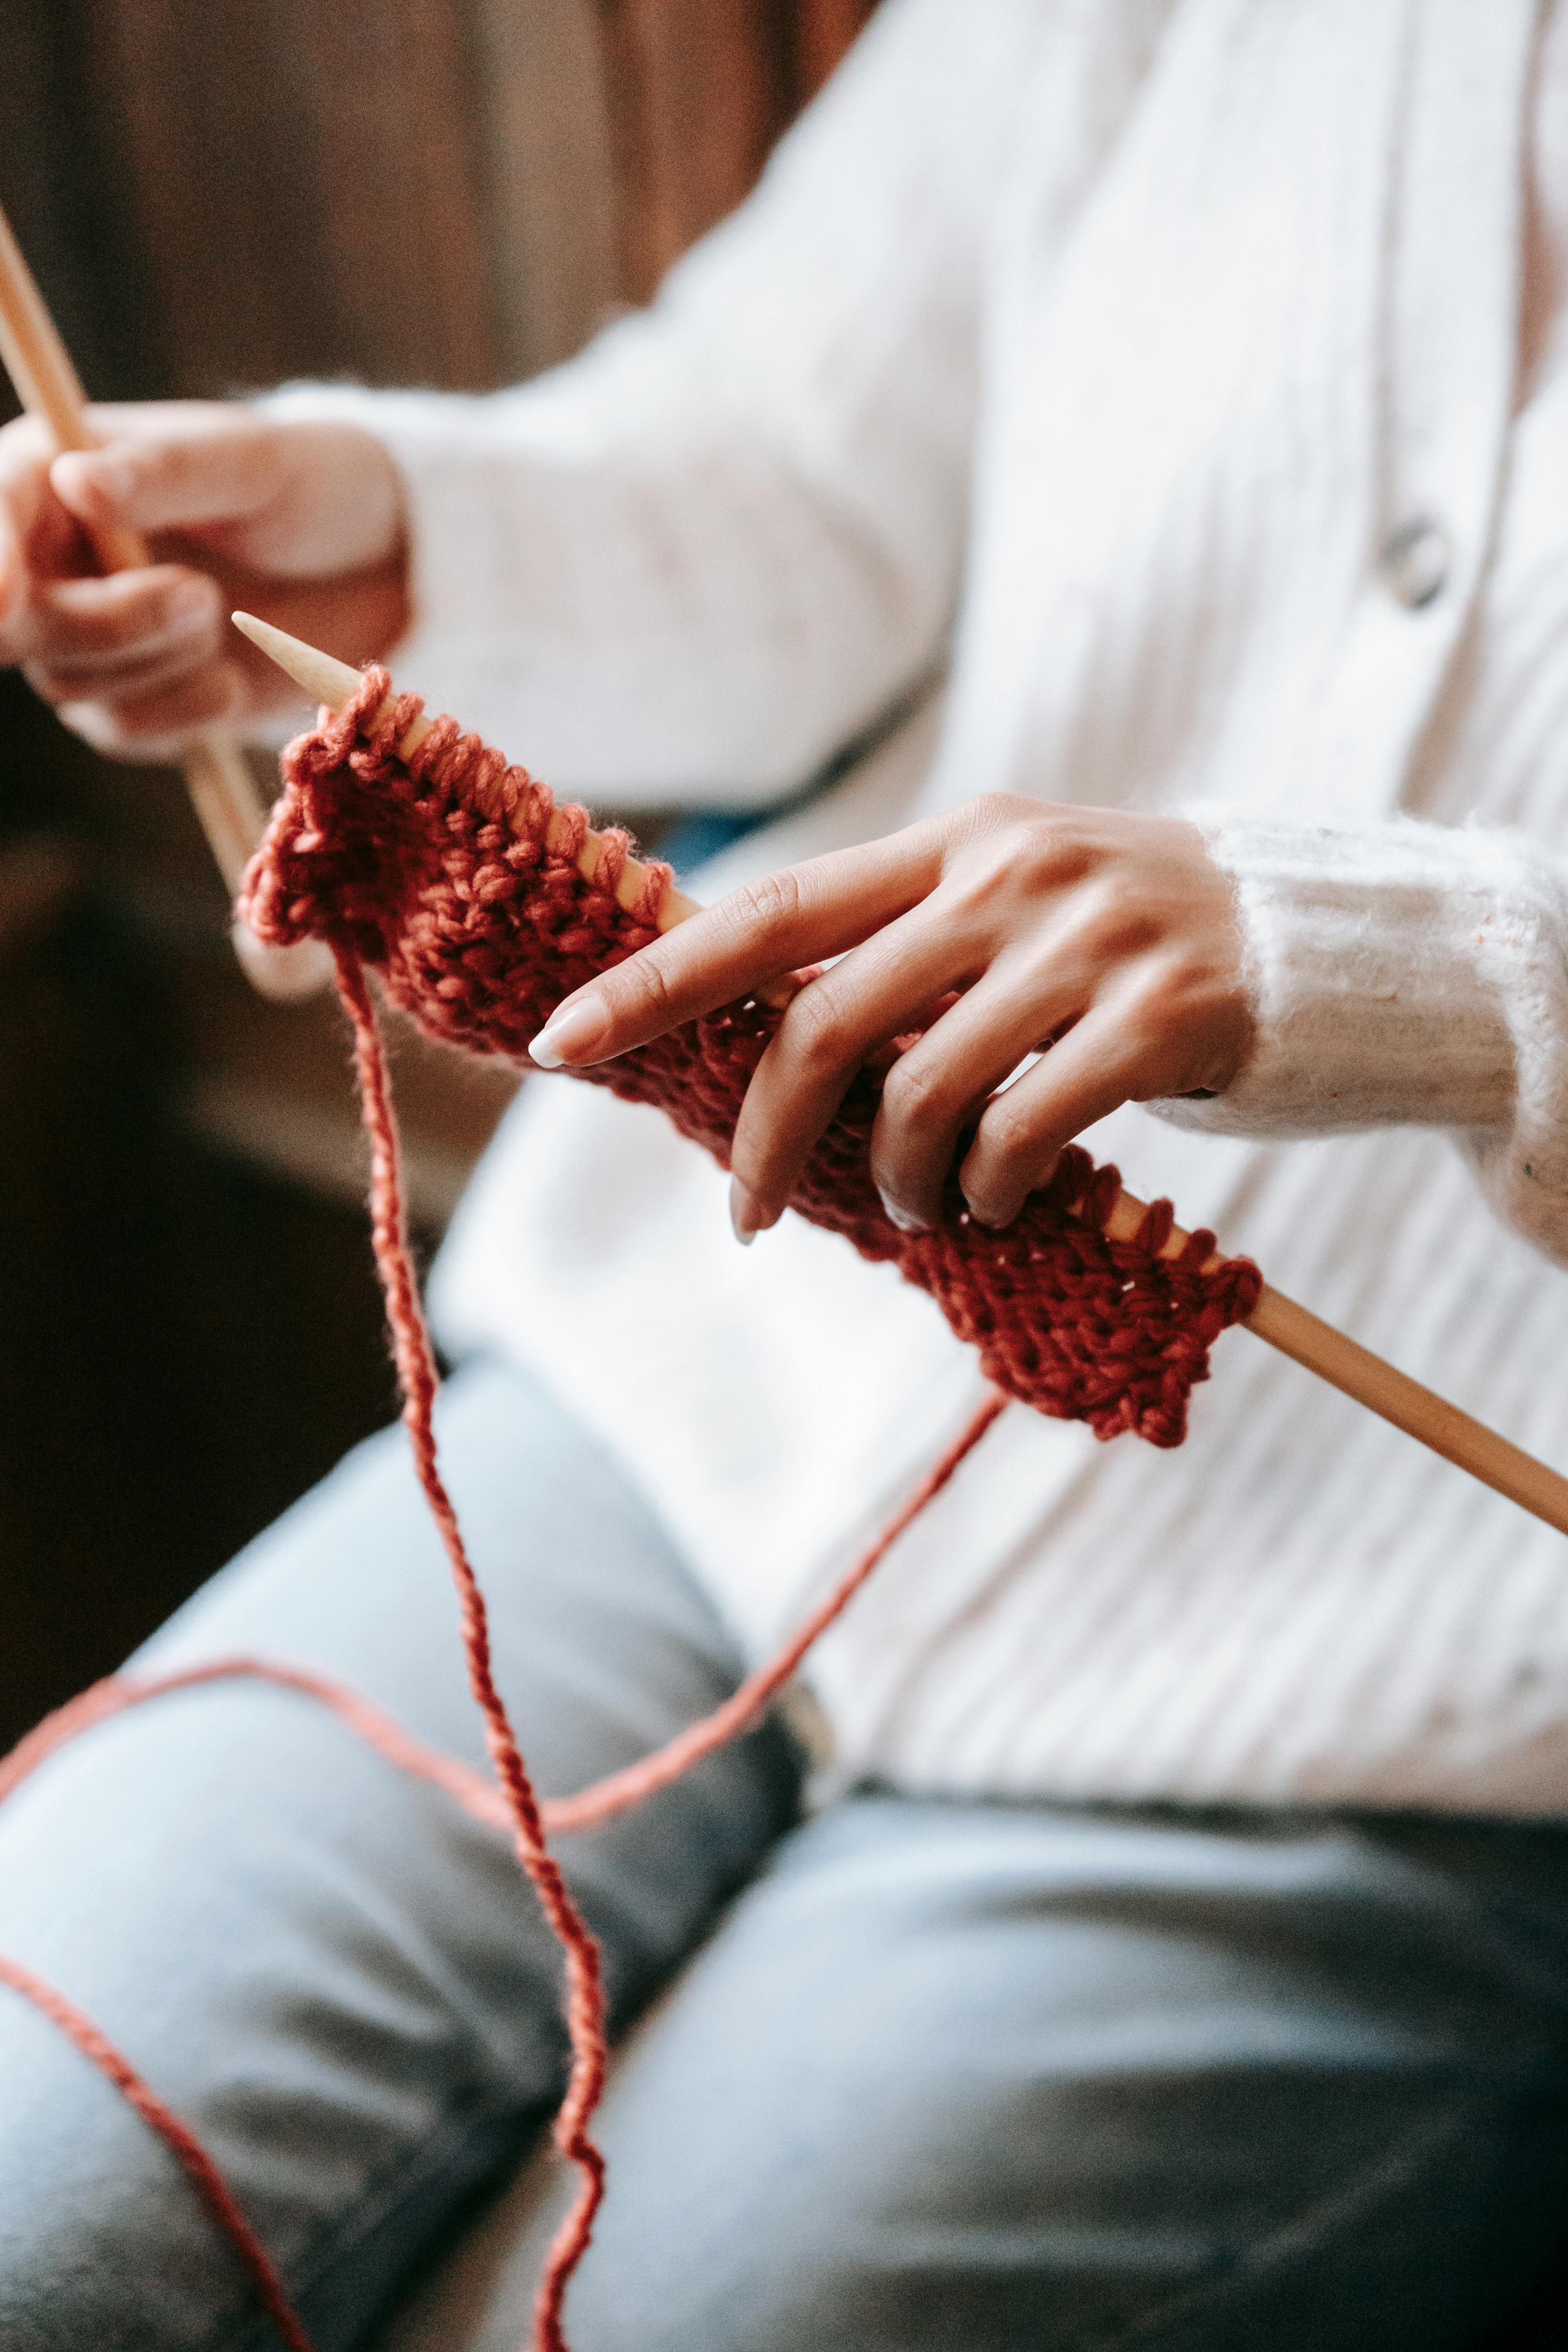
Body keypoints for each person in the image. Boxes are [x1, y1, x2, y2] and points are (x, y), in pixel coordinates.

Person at [5, 3, 1568, 2345]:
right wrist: (405, 548)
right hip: (706, 1417)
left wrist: (1438, 963)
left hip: (1400, 1708)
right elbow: (799, 472)